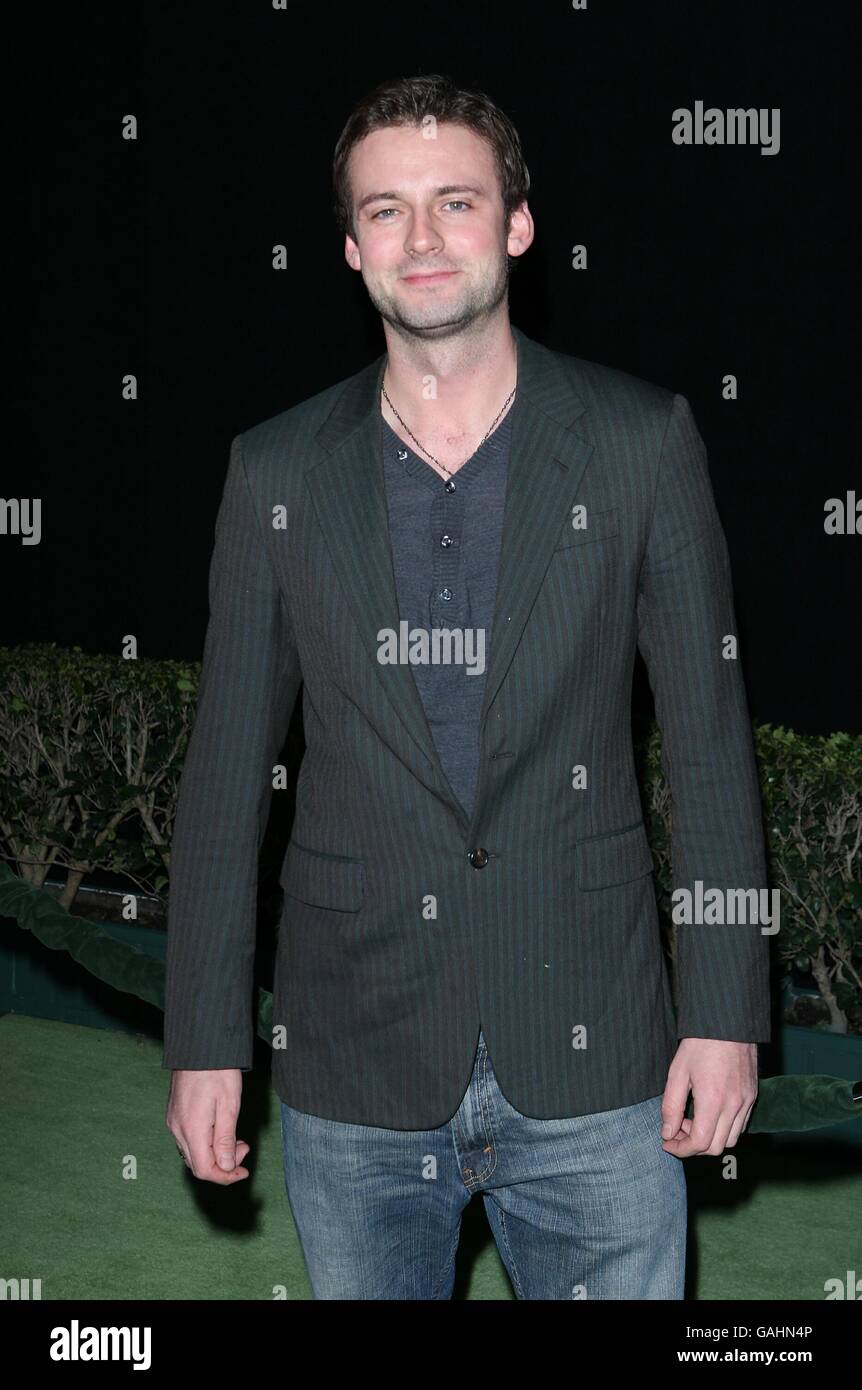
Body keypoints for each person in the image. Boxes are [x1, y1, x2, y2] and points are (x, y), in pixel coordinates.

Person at [163, 73, 771, 1299]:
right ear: (349, 245)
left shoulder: (637, 440)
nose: (423, 238)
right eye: (387, 211)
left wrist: (726, 1007)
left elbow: (709, 747)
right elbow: (226, 781)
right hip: (354, 1058)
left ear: (517, 225)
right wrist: (205, 1038)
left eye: (455, 201)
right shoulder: (273, 469)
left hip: (598, 1053)